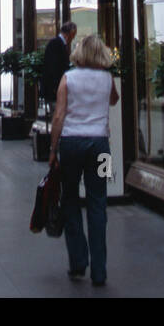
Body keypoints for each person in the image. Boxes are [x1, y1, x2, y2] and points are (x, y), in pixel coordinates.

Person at [48, 33, 119, 287]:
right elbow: (114, 100)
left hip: (71, 143)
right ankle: (100, 271)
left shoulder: (68, 78)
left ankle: (78, 261)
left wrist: (53, 150)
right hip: (101, 144)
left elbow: (58, 116)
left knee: (69, 198)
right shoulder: (108, 78)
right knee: (99, 202)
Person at [41, 21, 77, 110]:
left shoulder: (58, 44)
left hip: (55, 89)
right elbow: (54, 68)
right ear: (70, 33)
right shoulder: (56, 44)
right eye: (74, 35)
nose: (74, 37)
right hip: (54, 90)